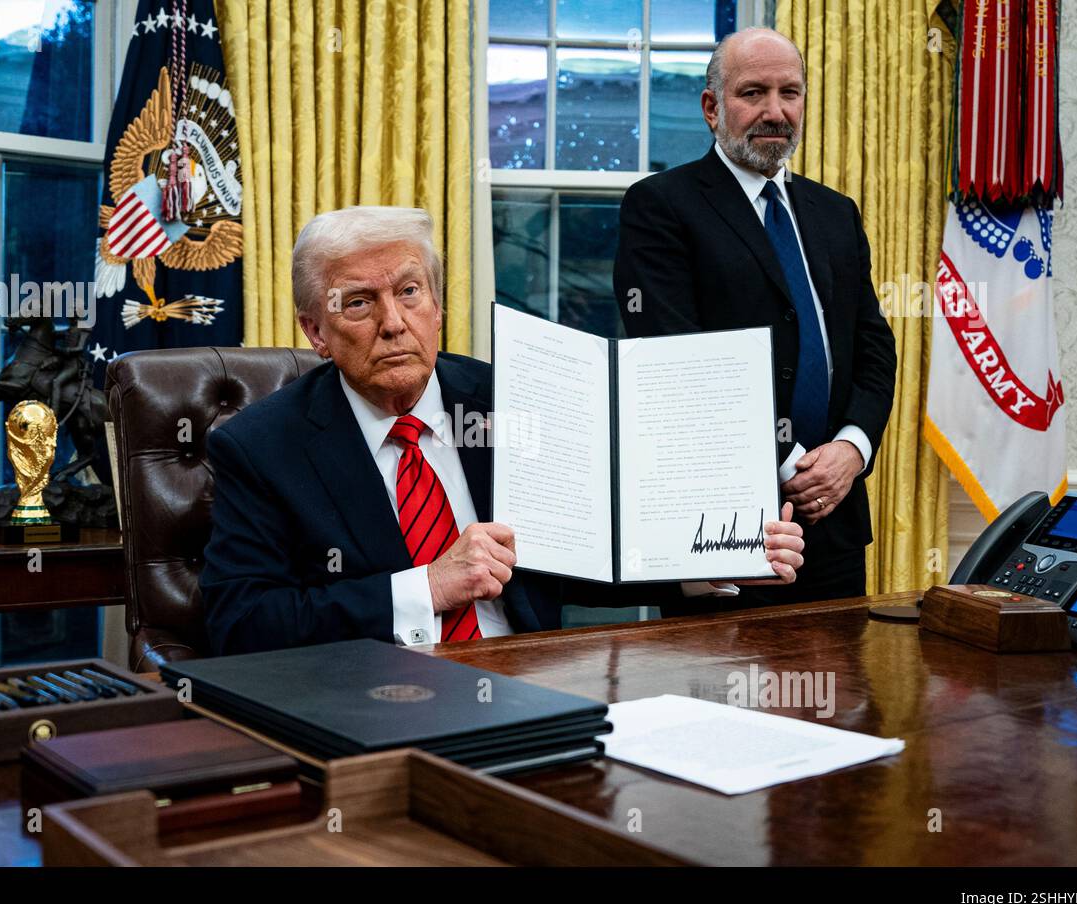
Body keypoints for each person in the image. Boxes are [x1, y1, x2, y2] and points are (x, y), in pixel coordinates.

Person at [202, 205, 806, 654]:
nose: (394, 323)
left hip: (536, 679)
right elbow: (240, 619)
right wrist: (428, 587)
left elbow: (579, 556)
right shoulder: (261, 447)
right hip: (381, 702)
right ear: (316, 331)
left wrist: (711, 561)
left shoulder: (512, 400)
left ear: (437, 305)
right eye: (358, 303)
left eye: (410, 292)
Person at [613, 27, 896, 611]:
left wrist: (851, 449)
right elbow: (673, 361)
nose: (775, 111)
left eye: (789, 93)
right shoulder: (661, 205)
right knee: (723, 695)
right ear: (712, 108)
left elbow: (873, 348)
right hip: (725, 532)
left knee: (838, 698)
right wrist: (788, 459)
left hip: (836, 523)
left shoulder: (835, 213)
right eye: (754, 93)